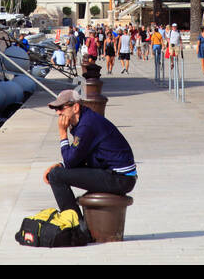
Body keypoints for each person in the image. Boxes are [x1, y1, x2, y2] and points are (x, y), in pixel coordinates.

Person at [44, 89, 137, 229]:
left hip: (120, 178)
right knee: (57, 172)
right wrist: (61, 164)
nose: (58, 113)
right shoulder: (85, 120)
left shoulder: (86, 125)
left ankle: (77, 227)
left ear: (75, 107)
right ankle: (77, 224)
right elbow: (77, 156)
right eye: (56, 109)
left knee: (56, 176)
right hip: (116, 174)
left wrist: (62, 134)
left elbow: (71, 161)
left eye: (61, 108)